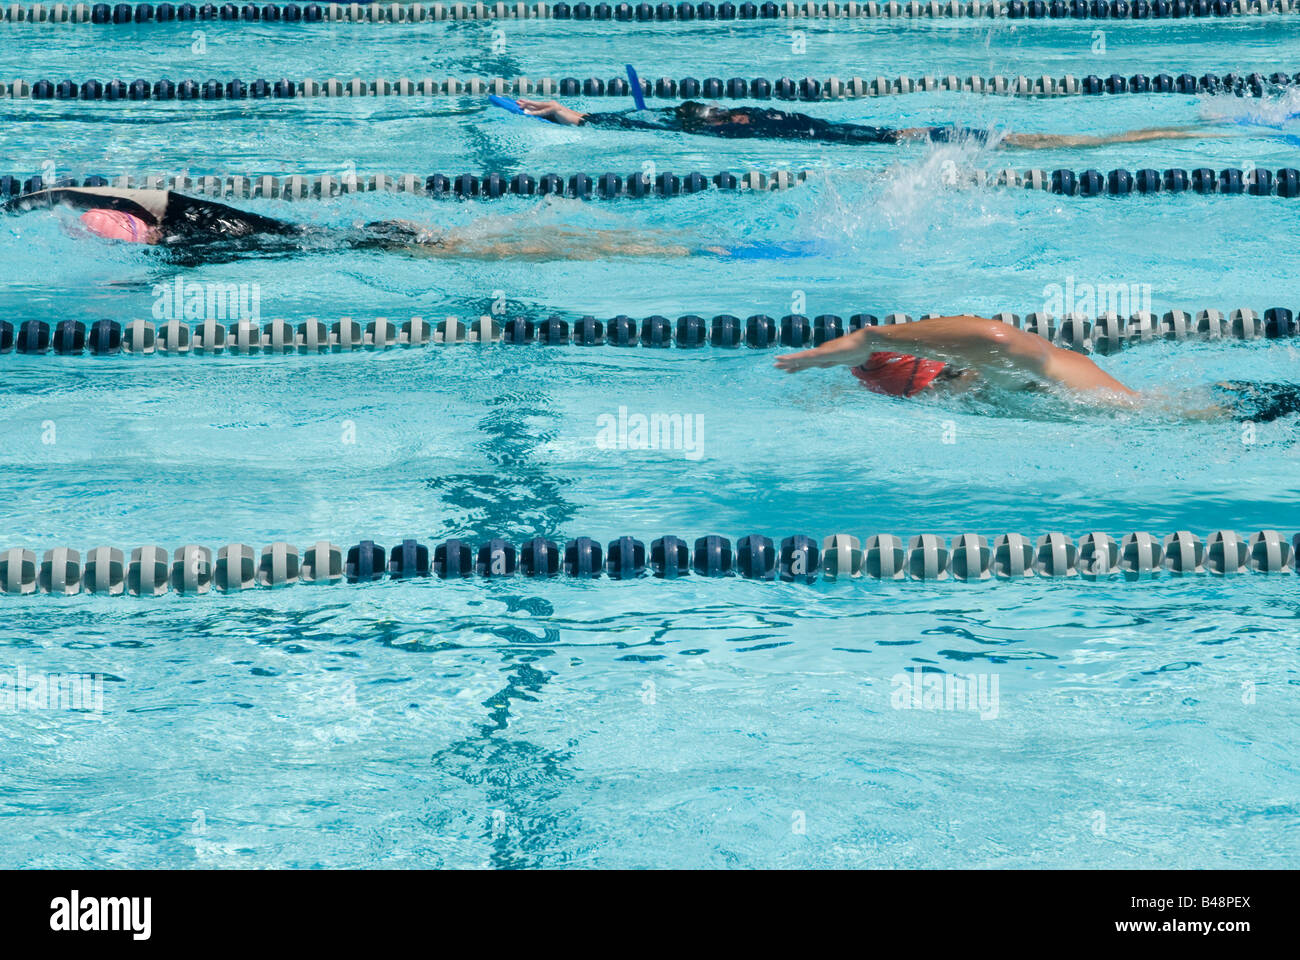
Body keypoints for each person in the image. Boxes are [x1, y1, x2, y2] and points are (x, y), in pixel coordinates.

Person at [774, 314, 1300, 422]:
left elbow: (995, 337)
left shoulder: (998, 374)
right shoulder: (979, 391)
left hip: (1235, 413)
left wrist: (873, 339)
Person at [4, 185, 737, 261]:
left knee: (485, 253)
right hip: (300, 241)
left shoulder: (59, 202)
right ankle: (664, 247)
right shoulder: (61, 196)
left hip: (334, 243)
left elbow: (127, 232)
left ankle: (669, 249)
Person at [513, 98, 1213, 149]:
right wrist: (586, 118)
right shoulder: (753, 119)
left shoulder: (743, 127)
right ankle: (1168, 131)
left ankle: (1161, 134)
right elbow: (660, 127)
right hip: (891, 136)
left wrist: (585, 119)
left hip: (895, 141)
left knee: (1032, 146)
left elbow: (660, 129)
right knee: (1027, 143)